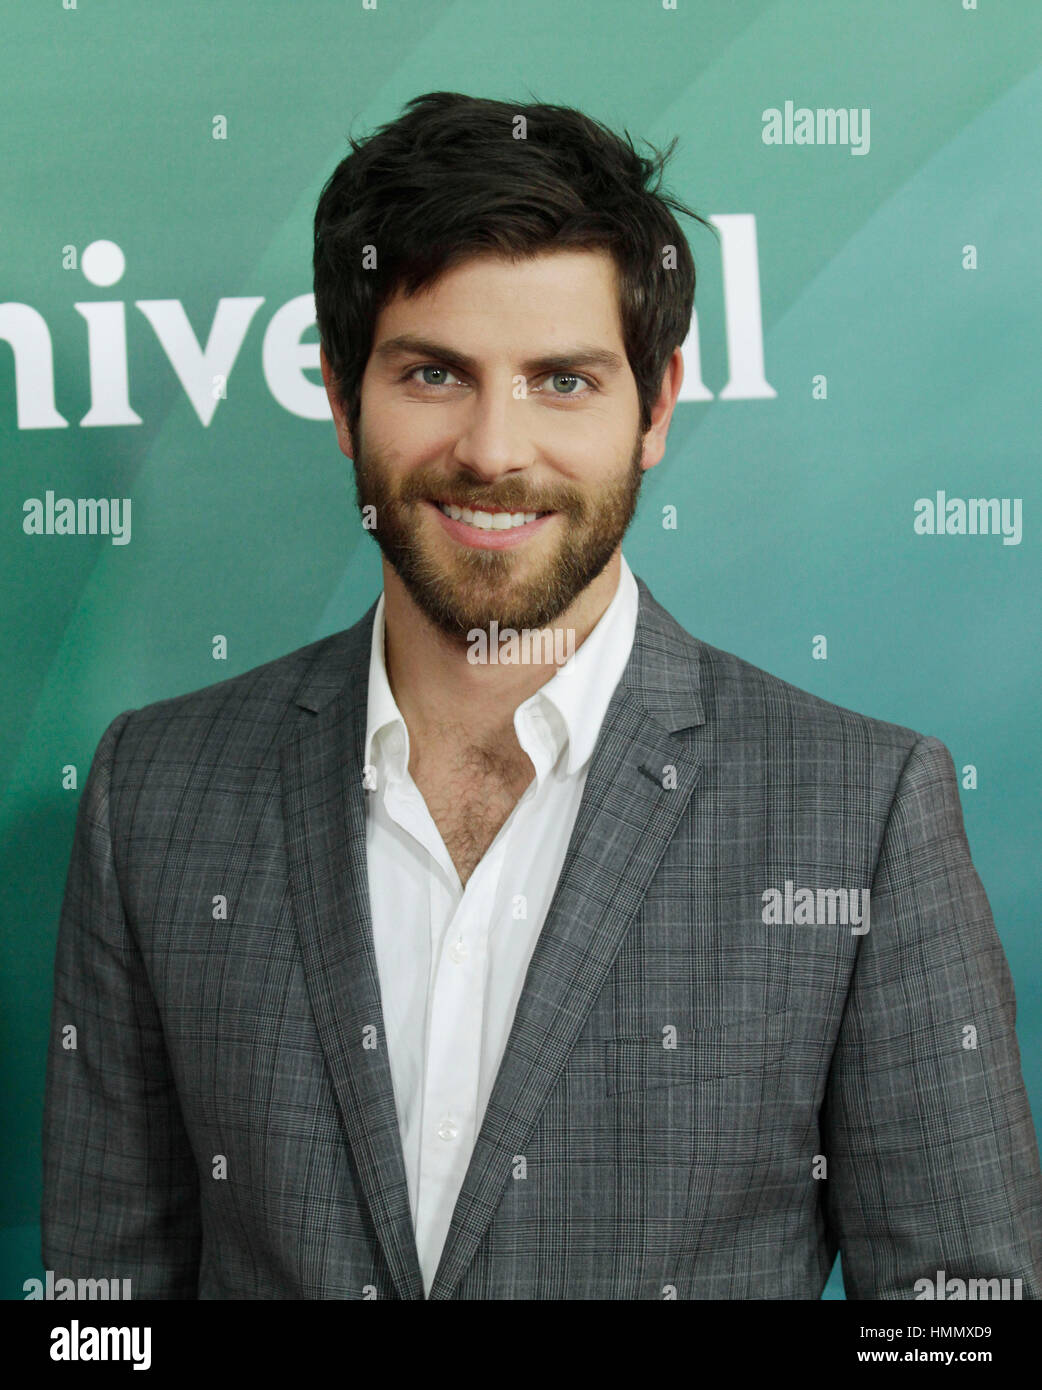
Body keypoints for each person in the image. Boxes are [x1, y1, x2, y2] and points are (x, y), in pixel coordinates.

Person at [42, 91, 1042, 1300]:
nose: (494, 448)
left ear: (655, 407)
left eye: (562, 381)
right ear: (341, 397)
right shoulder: (154, 791)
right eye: (433, 373)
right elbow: (98, 1314)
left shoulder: (861, 811)